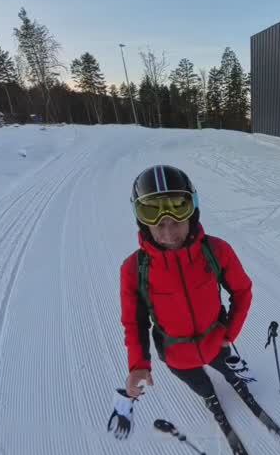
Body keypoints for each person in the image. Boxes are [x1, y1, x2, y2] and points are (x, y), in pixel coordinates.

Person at [108, 164, 254, 438]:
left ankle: (235, 380)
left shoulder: (216, 251)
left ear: (193, 213)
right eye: (158, 223)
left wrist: (229, 332)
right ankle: (209, 396)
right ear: (143, 222)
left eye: (177, 219)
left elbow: (242, 290)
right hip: (176, 354)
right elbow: (134, 321)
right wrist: (138, 363)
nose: (168, 232)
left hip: (216, 340)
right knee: (198, 381)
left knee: (225, 364)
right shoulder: (134, 269)